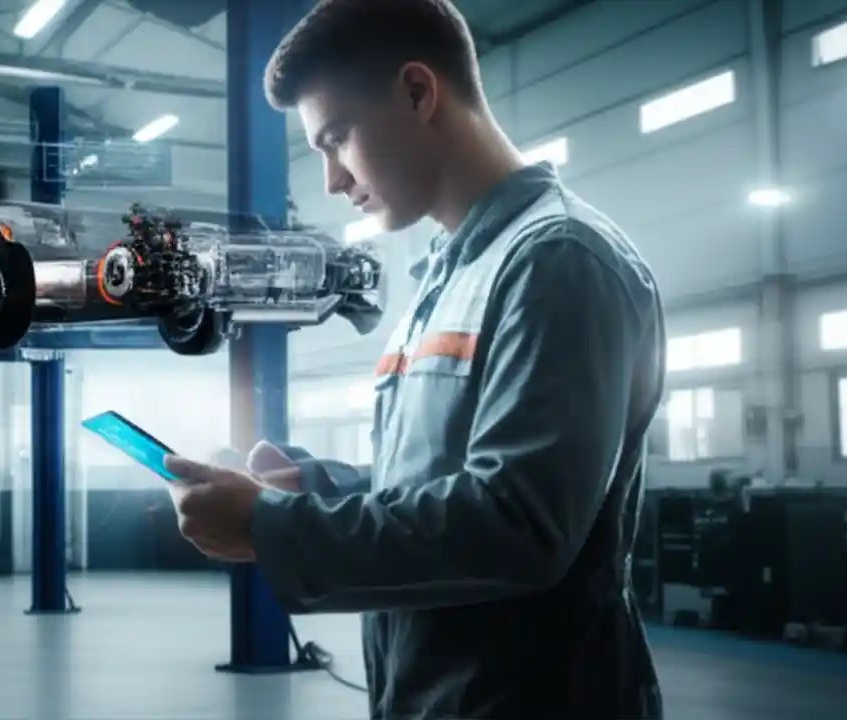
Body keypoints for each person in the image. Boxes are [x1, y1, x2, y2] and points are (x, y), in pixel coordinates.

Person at [162, 0, 667, 717]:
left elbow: (516, 525)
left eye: (336, 138)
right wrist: (313, 488)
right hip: (435, 695)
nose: (333, 178)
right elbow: (441, 478)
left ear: (418, 92)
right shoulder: (446, 276)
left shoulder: (556, 260)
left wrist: (271, 528)